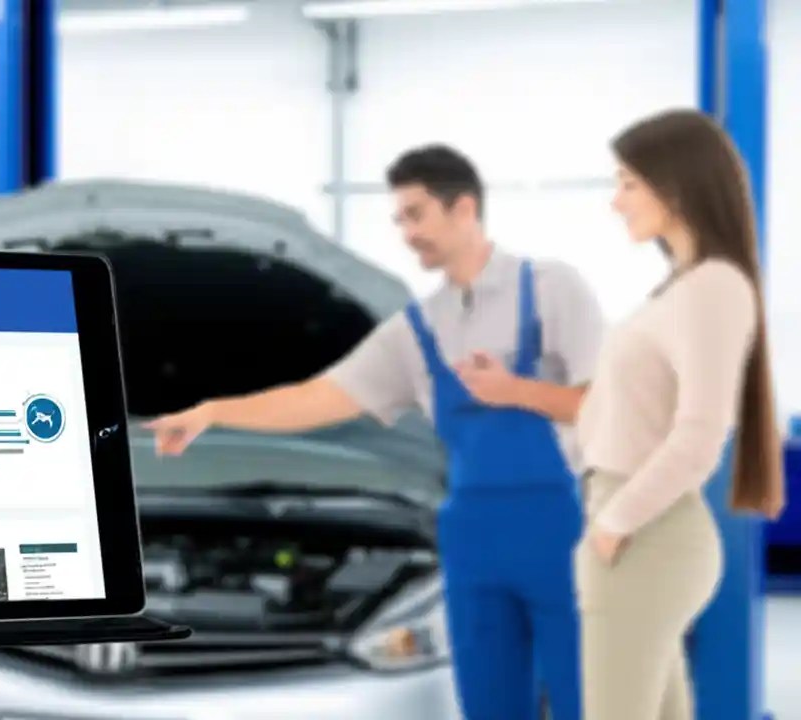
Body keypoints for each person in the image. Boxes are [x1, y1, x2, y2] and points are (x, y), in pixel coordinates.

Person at [146, 144, 605, 720]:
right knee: (487, 702)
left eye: (416, 215)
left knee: (580, 693)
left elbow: (605, 406)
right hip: (468, 531)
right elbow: (317, 399)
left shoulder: (551, 290)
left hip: (550, 526)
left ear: (464, 209)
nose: (406, 233)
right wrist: (213, 412)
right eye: (398, 219)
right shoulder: (419, 328)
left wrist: (516, 391)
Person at [566, 109, 782, 719]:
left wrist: (613, 523)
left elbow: (700, 435)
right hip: (640, 528)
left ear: (677, 185)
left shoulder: (712, 288)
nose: (616, 201)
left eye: (629, 183)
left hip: (643, 534)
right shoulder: (685, 287)